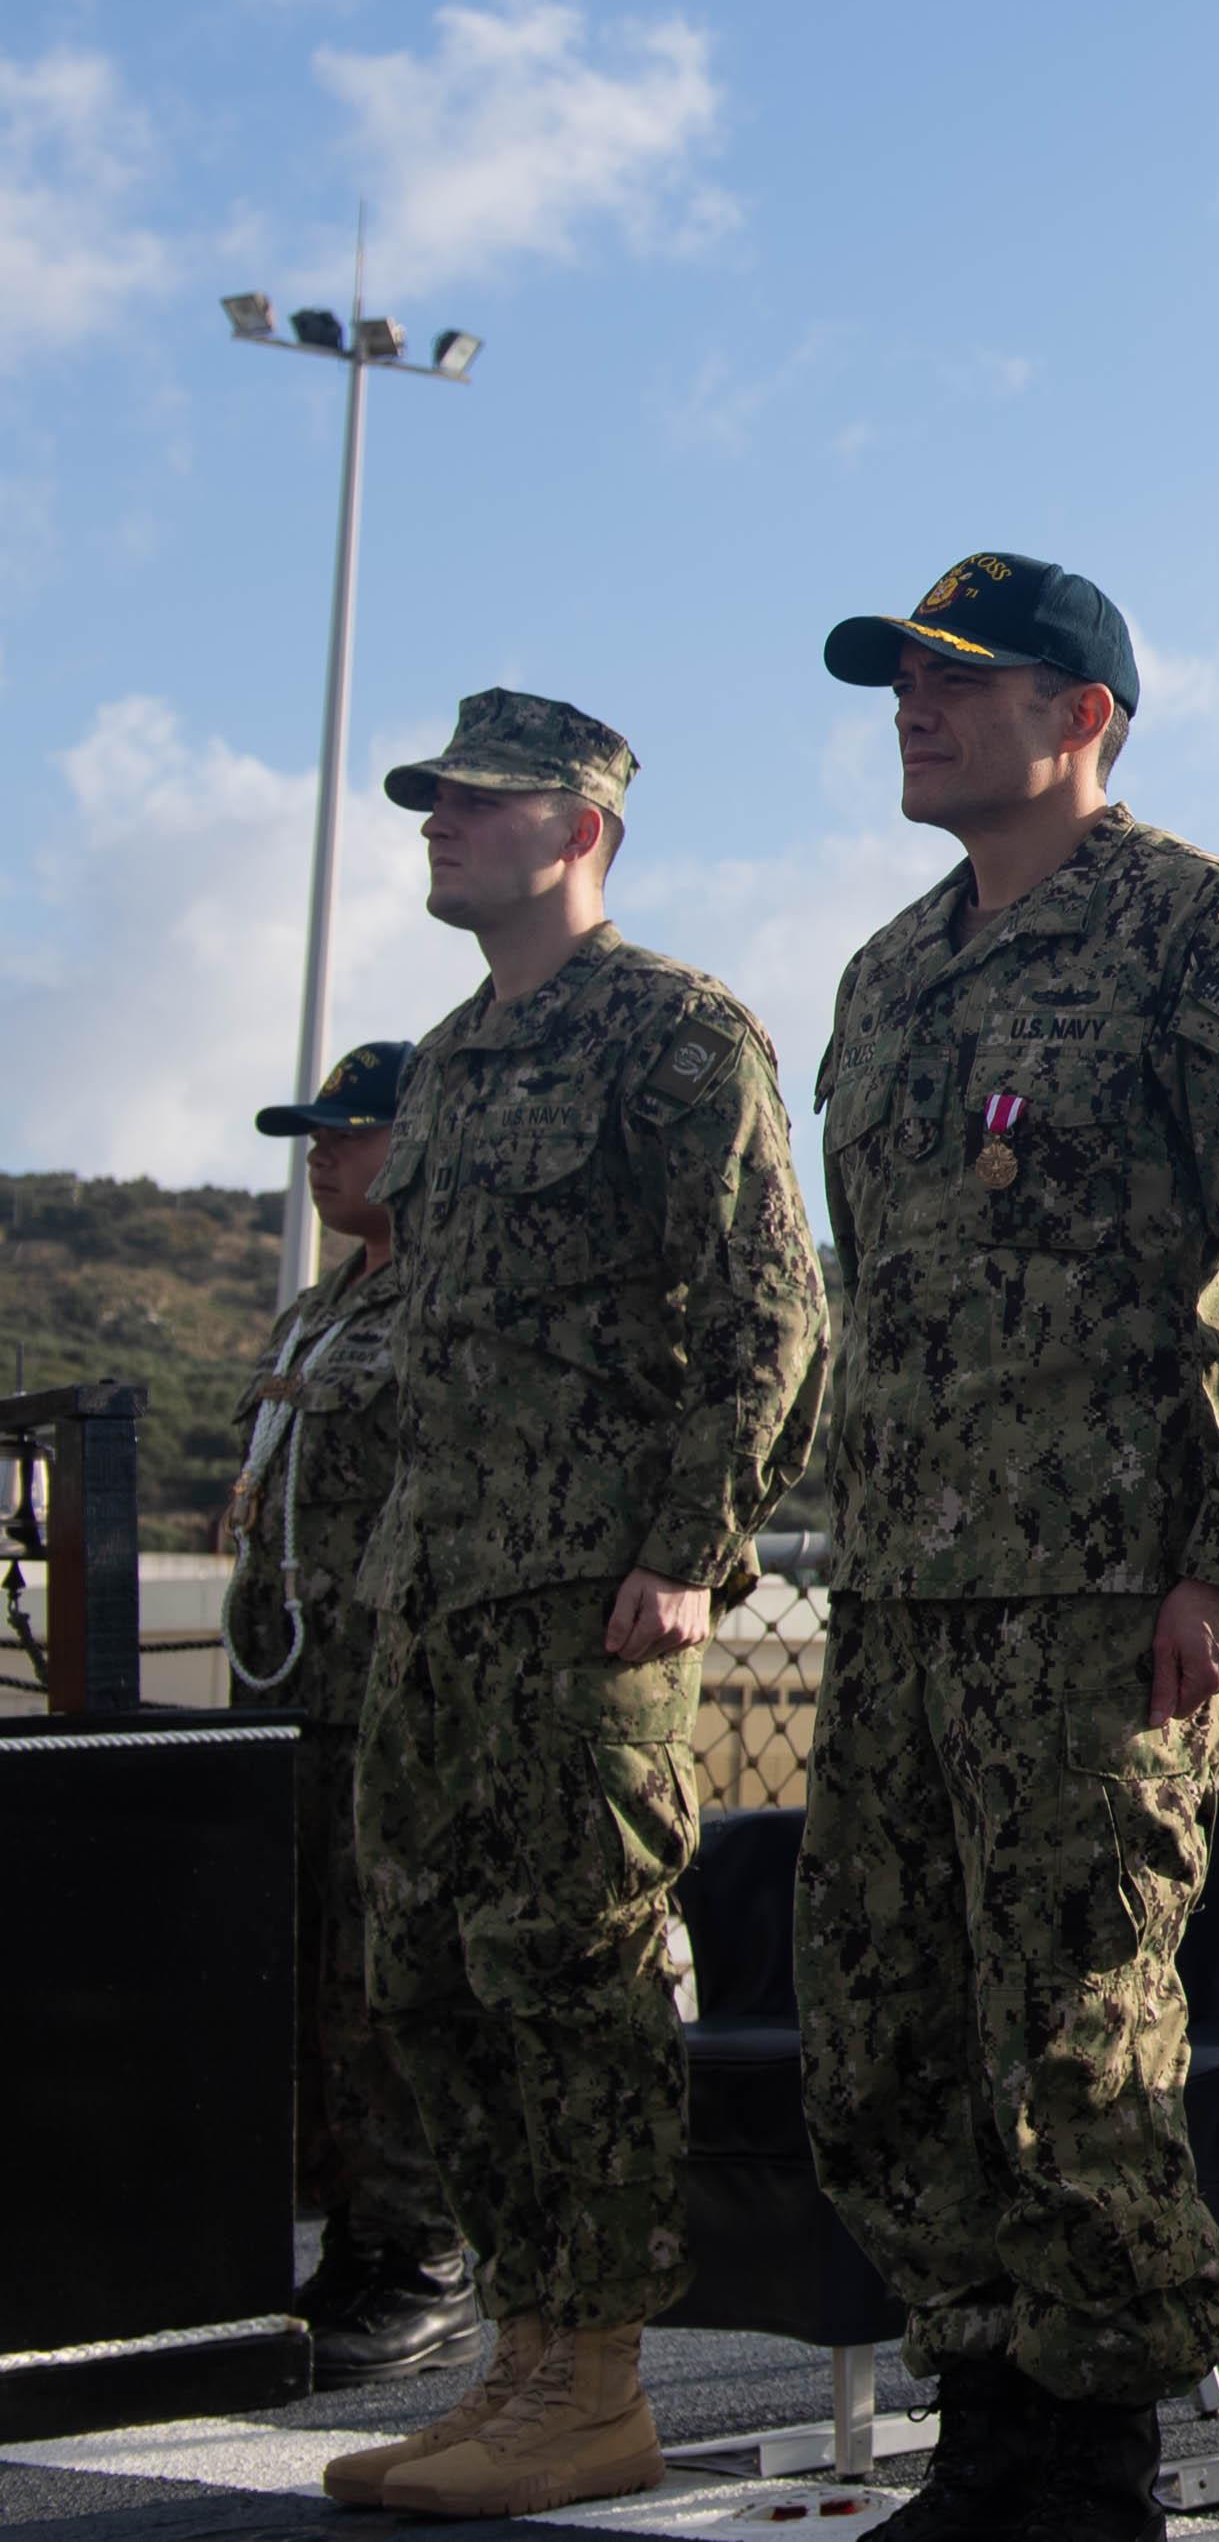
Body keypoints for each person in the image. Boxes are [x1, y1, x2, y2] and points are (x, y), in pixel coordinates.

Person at [794, 553, 1219, 2542]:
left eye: (964, 680)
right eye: (904, 680)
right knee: (887, 2042)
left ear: (1083, 716)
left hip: (1098, 1607)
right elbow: (867, 1295)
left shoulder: (1204, 936)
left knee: (1075, 2044)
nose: (918, 706)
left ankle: (1095, 2469)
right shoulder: (890, 981)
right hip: (896, 1598)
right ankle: (991, 2436)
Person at [324, 692, 829, 2517]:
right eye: (433, 803)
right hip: (435, 1592)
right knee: (431, 1983)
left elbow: (775, 1310)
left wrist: (690, 1550)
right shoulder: (450, 1060)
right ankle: (519, 2350)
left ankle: (596, 2374)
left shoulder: (676, 1033)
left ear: (582, 826)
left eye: (477, 803)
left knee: (574, 1976)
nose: (439, 826)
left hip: (589, 1603)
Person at [226, 1037, 481, 2388]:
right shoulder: (317, 1313)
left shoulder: (450, 1300)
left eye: (349, 1133)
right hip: (296, 1698)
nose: (325, 1158)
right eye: (315, 1136)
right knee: (316, 1984)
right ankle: (349, 2243)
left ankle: (421, 2255)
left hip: (397, 1695)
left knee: (394, 1982)